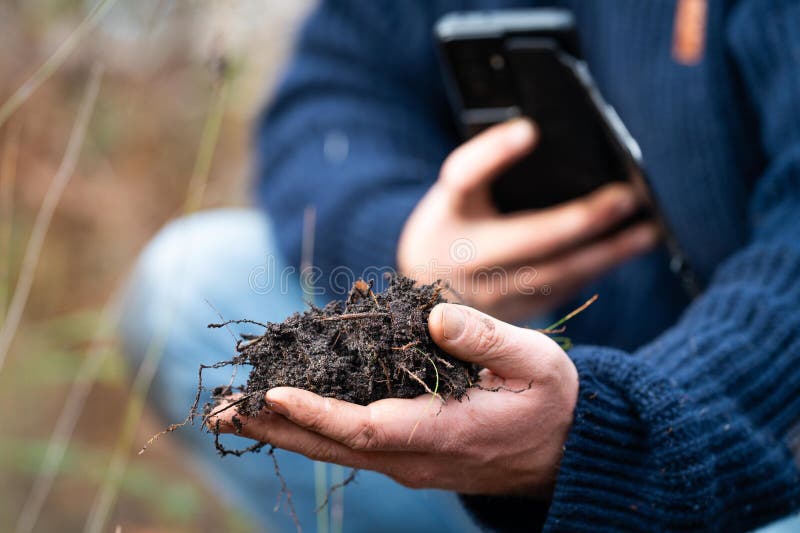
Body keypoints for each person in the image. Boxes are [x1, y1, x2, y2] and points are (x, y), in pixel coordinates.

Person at [123, 0, 800, 531]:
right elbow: (335, 90)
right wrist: (407, 242)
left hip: (746, 429)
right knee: (190, 287)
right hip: (517, 349)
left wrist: (606, 429)